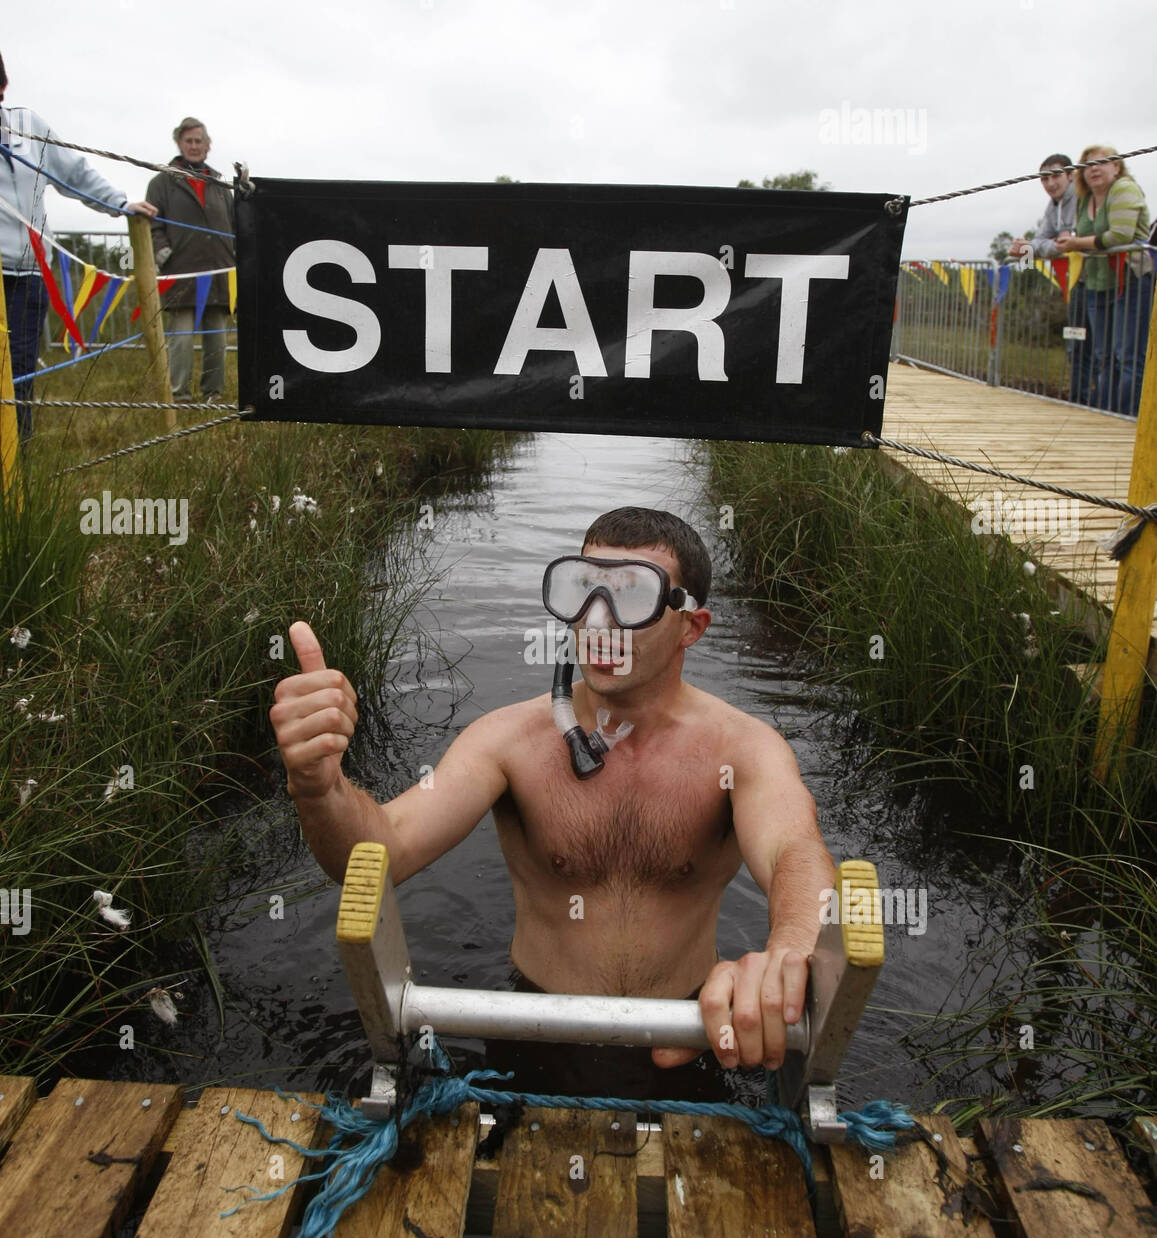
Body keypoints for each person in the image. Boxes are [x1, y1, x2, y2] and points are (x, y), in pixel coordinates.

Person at [271, 507, 835, 1102]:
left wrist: (786, 959)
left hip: (688, 1033)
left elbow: (796, 853)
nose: (599, 621)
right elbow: (378, 853)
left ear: (690, 626)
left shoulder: (743, 749)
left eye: (631, 596)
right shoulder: (507, 742)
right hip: (533, 1028)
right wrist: (317, 784)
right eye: (582, 591)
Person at [0, 52, 156, 440]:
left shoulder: (27, 126)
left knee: (20, 369)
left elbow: (74, 174)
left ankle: (18, 460)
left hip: (28, 273)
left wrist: (119, 204)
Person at [1057, 146, 1153, 416]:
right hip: (1096, 282)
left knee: (1128, 356)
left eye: (1102, 163)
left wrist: (1076, 243)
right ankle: (1104, 413)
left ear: (1117, 167)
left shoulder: (1124, 189)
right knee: (1103, 356)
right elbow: (1073, 237)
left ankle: (1125, 417)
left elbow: (1119, 237)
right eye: (1088, 165)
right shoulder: (1082, 198)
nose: (1094, 168)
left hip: (1131, 280)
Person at [144, 117, 234, 402]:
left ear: (207, 147)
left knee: (217, 340)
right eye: (189, 141)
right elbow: (153, 224)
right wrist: (163, 252)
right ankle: (179, 395)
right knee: (181, 338)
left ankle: (213, 393)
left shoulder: (220, 186)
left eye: (199, 141)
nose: (194, 146)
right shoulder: (161, 182)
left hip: (219, 272)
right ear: (179, 144)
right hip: (181, 273)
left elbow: (234, 224)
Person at [1008, 154, 1092, 407]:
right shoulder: (1052, 206)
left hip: (1098, 279)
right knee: (1077, 344)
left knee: (1104, 349)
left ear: (1071, 175)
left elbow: (1067, 242)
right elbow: (1043, 242)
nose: (1050, 183)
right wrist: (1050, 244)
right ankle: (1079, 402)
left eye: (1056, 176)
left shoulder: (1080, 199)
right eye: (1044, 178)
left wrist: (1046, 245)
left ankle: (1108, 409)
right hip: (1075, 282)